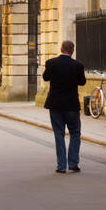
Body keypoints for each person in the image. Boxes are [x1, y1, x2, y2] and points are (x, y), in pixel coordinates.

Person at [42, 40, 86, 173]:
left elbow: (45, 78)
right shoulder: (78, 65)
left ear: (61, 49)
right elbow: (82, 82)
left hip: (55, 105)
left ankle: (61, 166)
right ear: (72, 50)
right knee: (75, 133)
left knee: (58, 134)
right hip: (71, 105)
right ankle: (73, 163)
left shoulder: (51, 63)